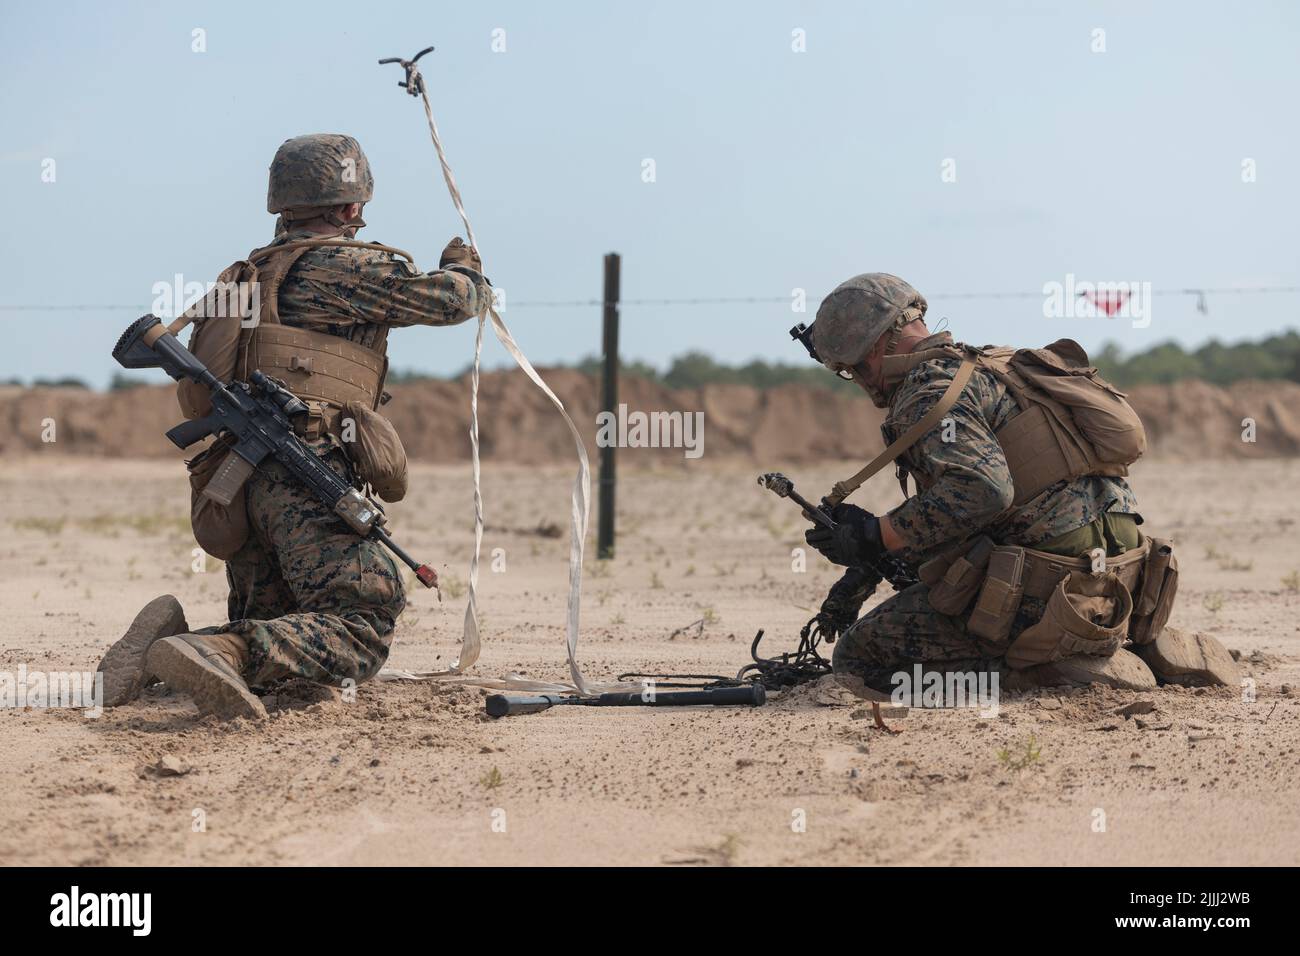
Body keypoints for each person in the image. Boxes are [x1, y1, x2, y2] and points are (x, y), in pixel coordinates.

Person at [97, 133, 490, 720]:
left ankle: (165, 650)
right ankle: (217, 651)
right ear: (350, 206)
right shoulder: (348, 267)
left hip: (235, 478)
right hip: (305, 468)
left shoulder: (248, 273)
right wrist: (465, 268)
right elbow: (452, 302)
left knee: (279, 624)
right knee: (364, 615)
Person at [798, 273, 1237, 702]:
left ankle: (1042, 672)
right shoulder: (994, 366)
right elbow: (965, 512)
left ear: (876, 346)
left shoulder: (927, 392)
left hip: (1055, 589)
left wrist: (876, 534)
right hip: (1127, 575)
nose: (859, 381)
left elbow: (983, 492)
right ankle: (1133, 647)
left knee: (859, 660)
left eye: (854, 368)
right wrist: (861, 571)